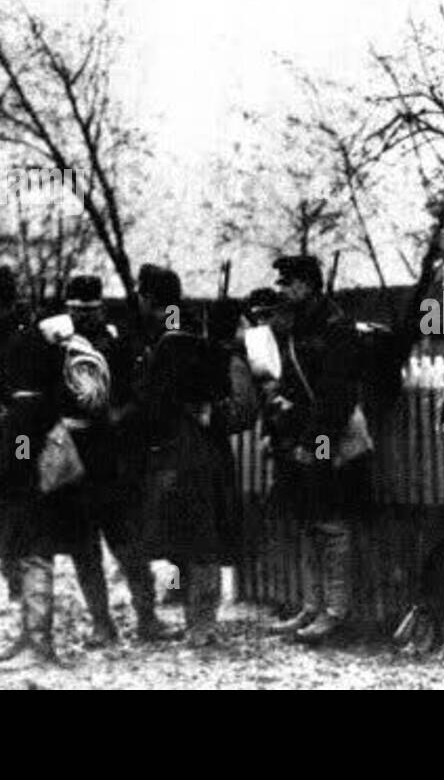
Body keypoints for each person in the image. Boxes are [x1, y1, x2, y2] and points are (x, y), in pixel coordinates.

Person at [55, 275, 175, 646]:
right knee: (82, 546)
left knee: (127, 543)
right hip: (72, 455)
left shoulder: (121, 345)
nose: (80, 316)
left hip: (112, 455)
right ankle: (101, 624)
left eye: (88, 309)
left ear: (100, 307)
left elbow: (142, 395)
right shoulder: (57, 347)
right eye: (73, 309)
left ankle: (147, 617)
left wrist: (120, 416)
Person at [0, 261, 69, 669]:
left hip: (24, 458)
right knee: (16, 550)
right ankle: (28, 636)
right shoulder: (1, 339)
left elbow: (28, 416)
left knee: (32, 550)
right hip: (8, 453)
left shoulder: (21, 343)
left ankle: (38, 644)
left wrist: (20, 465)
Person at [135, 265, 243, 646]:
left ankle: (201, 624)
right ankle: (199, 620)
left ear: (149, 297)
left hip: (182, 451)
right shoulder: (196, 331)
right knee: (196, 536)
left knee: (193, 537)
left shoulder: (171, 340)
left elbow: (154, 401)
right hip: (206, 448)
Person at [265, 254, 370, 645]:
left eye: (287, 283)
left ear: (307, 285)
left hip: (331, 438)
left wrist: (314, 445)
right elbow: (295, 382)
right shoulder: (297, 325)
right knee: (309, 520)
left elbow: (337, 396)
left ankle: (335, 611)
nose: (282, 290)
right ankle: (312, 605)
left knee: (331, 522)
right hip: (305, 435)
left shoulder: (336, 326)